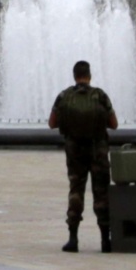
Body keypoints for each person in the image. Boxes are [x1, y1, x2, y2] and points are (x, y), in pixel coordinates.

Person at [49, 59, 118, 253]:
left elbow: (52, 123)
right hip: (98, 152)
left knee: (76, 192)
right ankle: (106, 239)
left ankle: (73, 239)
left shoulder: (63, 96)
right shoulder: (100, 96)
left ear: (74, 76)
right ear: (89, 75)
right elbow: (114, 124)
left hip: (75, 153)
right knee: (102, 194)